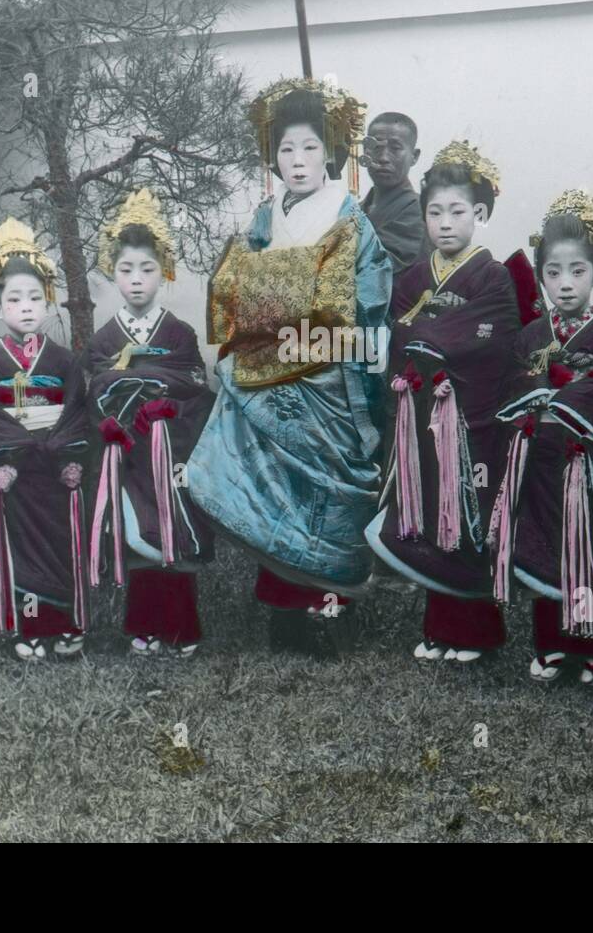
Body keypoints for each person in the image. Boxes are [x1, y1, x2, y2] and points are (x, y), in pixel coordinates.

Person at [186, 77, 392, 654]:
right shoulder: (261, 220)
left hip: (329, 381)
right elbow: (228, 290)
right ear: (271, 158)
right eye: (285, 149)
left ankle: (328, 612)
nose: (297, 161)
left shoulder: (353, 223)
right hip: (265, 377)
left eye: (308, 147)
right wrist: (289, 296)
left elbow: (358, 307)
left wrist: (276, 302)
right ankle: (284, 614)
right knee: (275, 491)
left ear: (331, 151)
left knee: (322, 495)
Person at [365, 141, 520, 663]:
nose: (445, 223)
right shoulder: (412, 277)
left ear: (478, 213)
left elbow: (490, 336)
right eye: (435, 212)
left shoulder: (493, 278)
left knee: (465, 517)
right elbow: (399, 333)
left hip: (469, 418)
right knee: (430, 512)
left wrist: (429, 335)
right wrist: (429, 336)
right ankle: (437, 629)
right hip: (421, 414)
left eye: (457, 211)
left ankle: (474, 633)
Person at [487, 190, 593, 687]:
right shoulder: (533, 335)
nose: (564, 284)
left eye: (578, 271)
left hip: (592, 461)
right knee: (544, 545)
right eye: (553, 272)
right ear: (541, 275)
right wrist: (540, 398)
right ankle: (551, 644)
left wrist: (563, 401)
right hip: (543, 459)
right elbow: (515, 383)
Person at [87, 188, 215, 657]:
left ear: (163, 271)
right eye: (126, 270)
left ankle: (181, 628)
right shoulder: (104, 339)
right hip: (130, 452)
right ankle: (142, 626)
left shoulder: (180, 333)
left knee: (173, 535)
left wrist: (163, 401)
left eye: (147, 269)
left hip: (171, 450)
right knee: (138, 535)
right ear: (112, 272)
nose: (137, 280)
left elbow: (195, 393)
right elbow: (97, 394)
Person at [0, 218, 90, 661]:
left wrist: (66, 454)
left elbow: (76, 410)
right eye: (14, 299)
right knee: (22, 553)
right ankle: (30, 627)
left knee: (60, 548)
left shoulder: (63, 361)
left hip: (55, 472)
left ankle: (68, 625)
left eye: (36, 297)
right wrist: (7, 457)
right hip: (15, 474)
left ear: (48, 301)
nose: (26, 307)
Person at [361, 112, 428, 272]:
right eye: (376, 147)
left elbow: (376, 265)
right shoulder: (356, 209)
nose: (383, 157)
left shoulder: (420, 210)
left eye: (395, 148)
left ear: (414, 156)